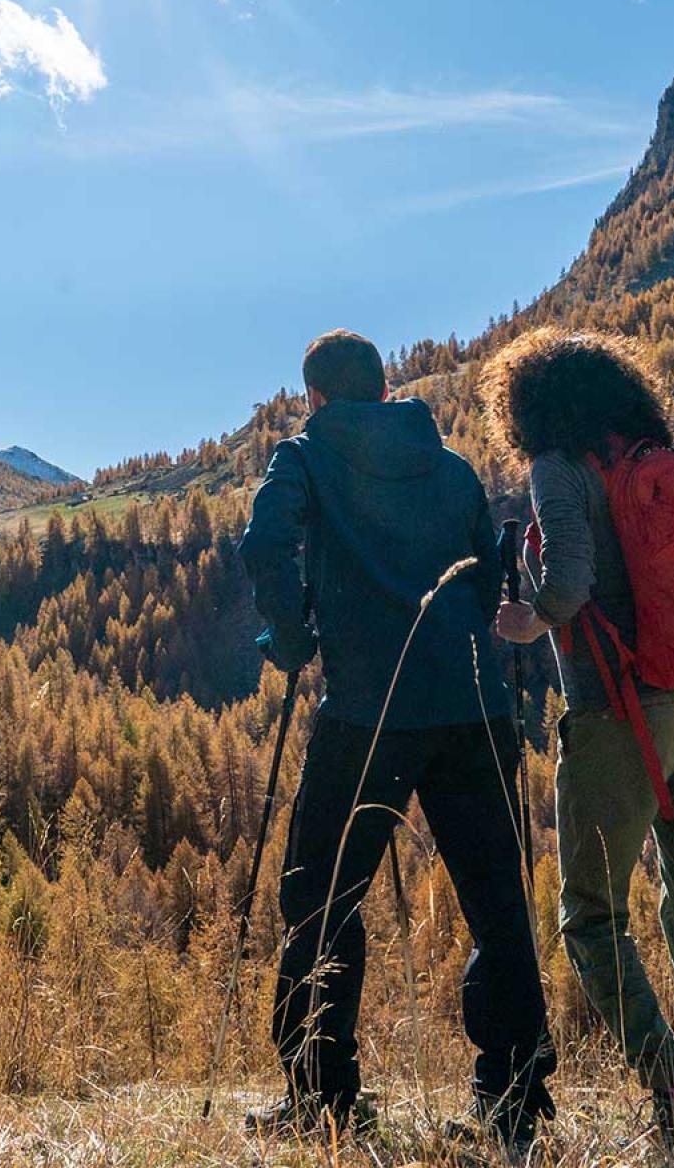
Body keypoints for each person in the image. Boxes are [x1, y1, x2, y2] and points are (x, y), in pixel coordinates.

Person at [240, 329, 555, 1152]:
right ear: (386, 390)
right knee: (496, 902)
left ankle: (323, 1098)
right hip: (473, 709)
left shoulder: (304, 456)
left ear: (314, 397)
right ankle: (514, 1099)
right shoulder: (450, 469)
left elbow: (265, 542)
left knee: (321, 901)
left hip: (366, 713)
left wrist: (291, 634)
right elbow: (485, 577)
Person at [481, 328, 674, 1159]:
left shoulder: (558, 467)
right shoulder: (661, 457)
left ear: (527, 405)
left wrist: (530, 620)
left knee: (592, 913)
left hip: (621, 713)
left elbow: (568, 580)